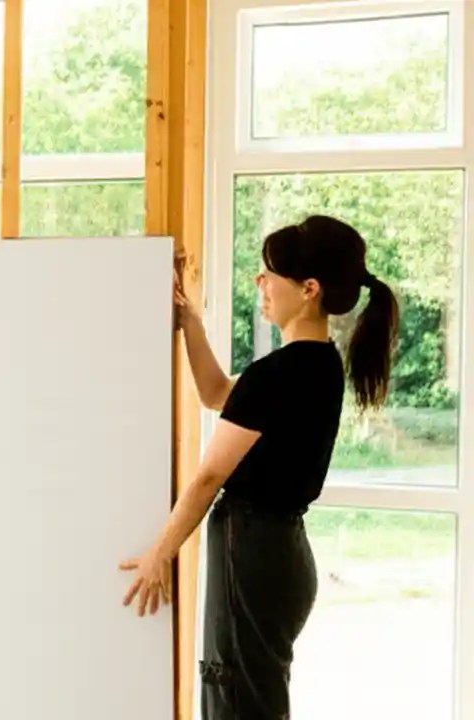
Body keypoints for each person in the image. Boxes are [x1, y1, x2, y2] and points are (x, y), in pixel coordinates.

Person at [119, 215, 399, 719]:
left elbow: (209, 476)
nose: (260, 282)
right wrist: (191, 324)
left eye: (269, 273)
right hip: (281, 553)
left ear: (308, 289)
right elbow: (218, 394)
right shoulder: (318, 365)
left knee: (237, 699)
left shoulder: (281, 372)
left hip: (255, 551)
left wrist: (159, 552)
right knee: (254, 697)